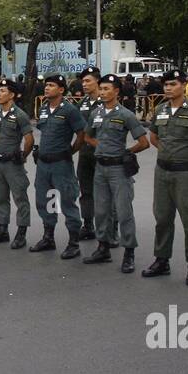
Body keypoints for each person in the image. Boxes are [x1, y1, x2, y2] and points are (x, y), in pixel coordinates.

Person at [143, 70, 188, 285]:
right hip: (162, 171)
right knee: (162, 218)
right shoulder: (160, 109)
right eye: (165, 84)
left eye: (173, 84)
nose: (168, 88)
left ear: (184, 85)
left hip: (185, 173)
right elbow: (154, 137)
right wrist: (167, 152)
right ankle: (162, 260)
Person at [82, 74, 149, 271]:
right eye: (101, 89)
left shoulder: (126, 115)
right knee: (101, 211)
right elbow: (87, 136)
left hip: (119, 169)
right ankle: (103, 247)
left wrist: (126, 153)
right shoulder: (96, 113)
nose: (102, 93)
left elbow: (143, 142)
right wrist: (100, 146)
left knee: (123, 211)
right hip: (100, 168)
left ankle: (129, 252)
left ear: (117, 92)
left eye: (106, 89)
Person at [30, 74, 87, 259]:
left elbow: (81, 134)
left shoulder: (70, 110)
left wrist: (70, 152)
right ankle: (48, 237)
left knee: (68, 201)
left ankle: (74, 242)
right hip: (44, 164)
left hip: (61, 163)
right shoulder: (45, 108)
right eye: (46, 85)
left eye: (51, 85)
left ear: (61, 90)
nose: (46, 88)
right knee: (45, 201)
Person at [0, 79, 33, 248]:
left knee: (20, 197)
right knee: (0, 197)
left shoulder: (19, 115)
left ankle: (21, 233)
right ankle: (2, 229)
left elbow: (29, 139)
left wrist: (22, 155)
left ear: (12, 95)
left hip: (13, 163)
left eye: (3, 91)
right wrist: (0, 146)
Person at [75, 68, 103, 243]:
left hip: (103, 154)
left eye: (88, 81)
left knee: (106, 192)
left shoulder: (107, 101)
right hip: (85, 154)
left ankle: (112, 227)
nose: (84, 84)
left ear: (98, 81)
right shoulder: (83, 103)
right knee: (85, 191)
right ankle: (88, 224)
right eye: (83, 82)